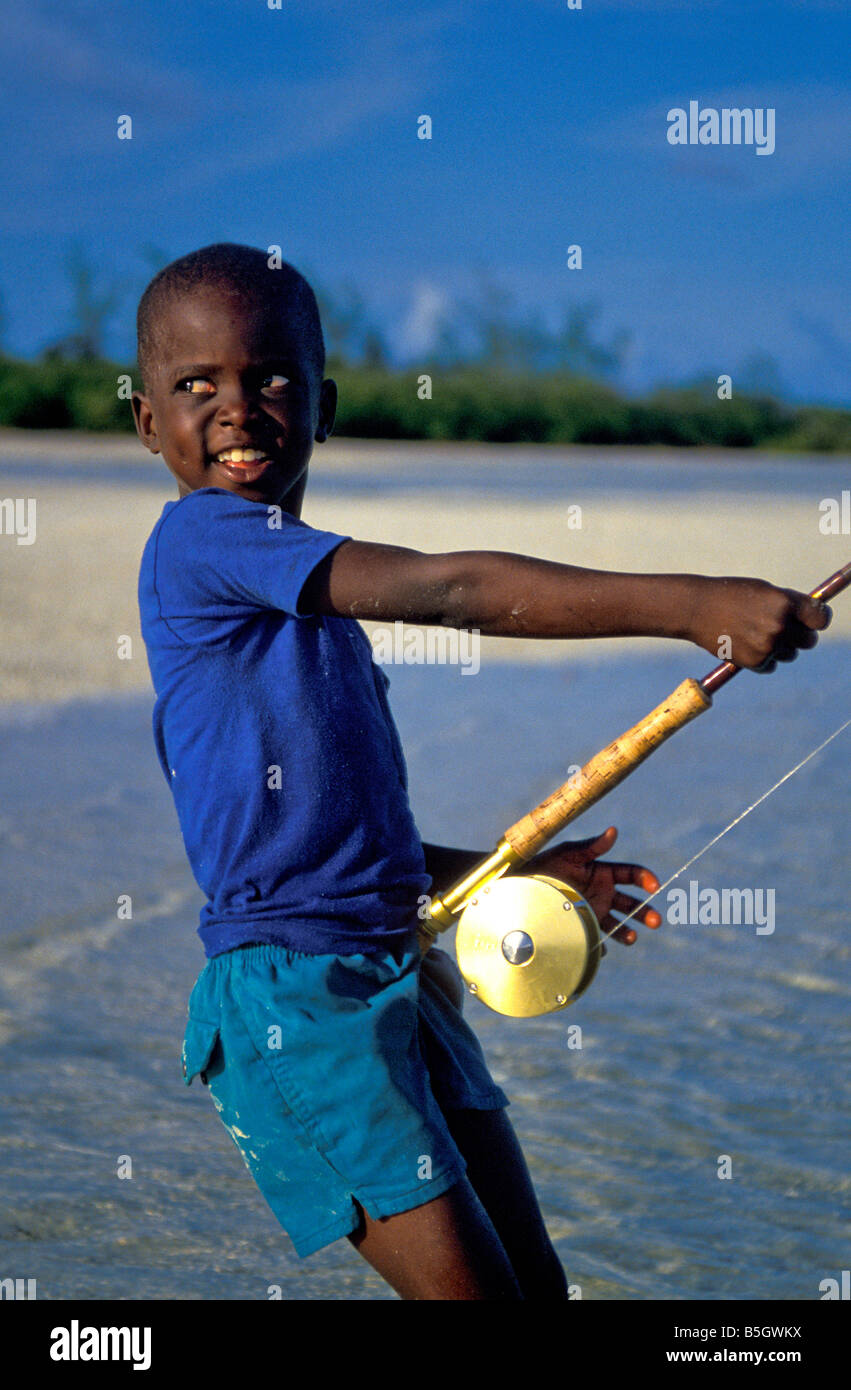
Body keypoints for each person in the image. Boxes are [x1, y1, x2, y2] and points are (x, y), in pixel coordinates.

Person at [133, 243, 828, 1300]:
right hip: (298, 1005)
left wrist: (512, 870)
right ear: (146, 421)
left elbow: (351, 849)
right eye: (195, 385)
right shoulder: (202, 545)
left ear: (320, 404)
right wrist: (690, 605)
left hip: (401, 978)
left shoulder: (313, 619)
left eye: (268, 376)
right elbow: (449, 588)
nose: (235, 407)